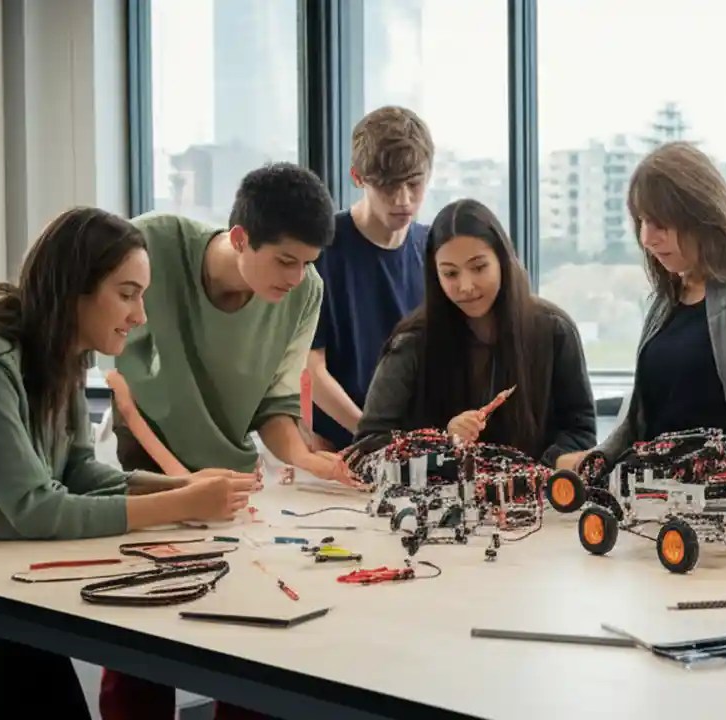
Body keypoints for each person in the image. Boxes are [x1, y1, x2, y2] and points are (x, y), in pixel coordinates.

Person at [0, 207, 255, 720]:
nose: (140, 315)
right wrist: (180, 502)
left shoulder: (64, 352)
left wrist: (182, 484)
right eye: (127, 294)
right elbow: (36, 508)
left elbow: (76, 470)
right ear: (73, 290)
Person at [101, 162, 339, 720]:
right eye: (285, 260)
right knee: (137, 652)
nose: (297, 277)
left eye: (308, 263)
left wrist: (306, 458)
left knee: (250, 653)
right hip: (147, 486)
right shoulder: (150, 244)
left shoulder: (305, 295)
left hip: (231, 496)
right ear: (240, 238)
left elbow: (275, 405)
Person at [558, 141, 726, 486]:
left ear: (702, 213)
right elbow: (644, 406)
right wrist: (602, 457)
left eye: (660, 223)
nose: (647, 238)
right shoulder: (665, 299)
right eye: (642, 222)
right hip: (654, 497)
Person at [354, 198, 596, 470]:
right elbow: (368, 446)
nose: (465, 286)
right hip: (434, 504)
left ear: (503, 261)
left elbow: (580, 430)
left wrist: (537, 472)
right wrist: (441, 444)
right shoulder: (412, 342)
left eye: (479, 267)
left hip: (534, 502)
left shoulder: (554, 330)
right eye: (450, 274)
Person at [306, 106, 432, 452]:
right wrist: (373, 437)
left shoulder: (433, 249)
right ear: (358, 177)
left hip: (419, 449)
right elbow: (310, 368)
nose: (403, 199)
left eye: (414, 183)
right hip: (337, 448)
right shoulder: (321, 252)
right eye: (388, 186)